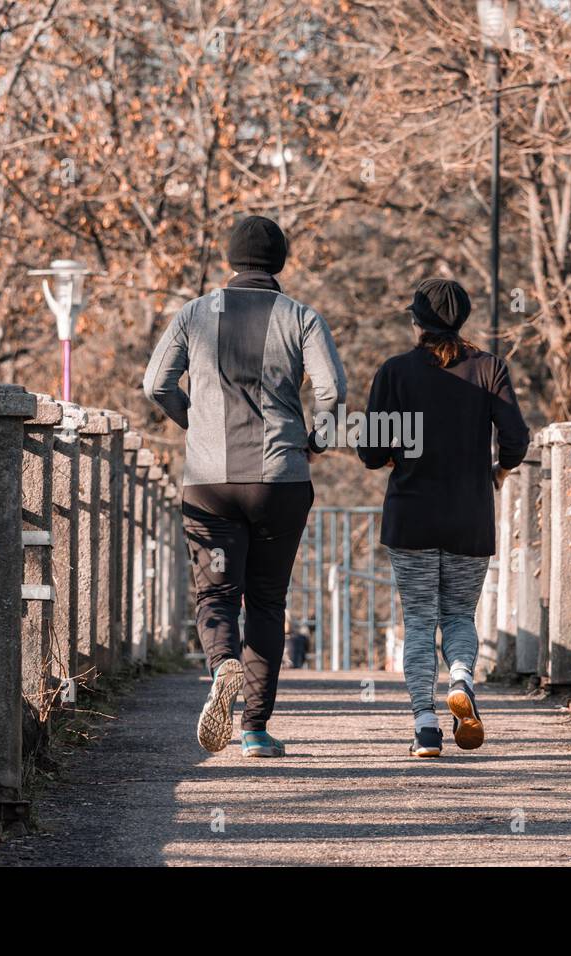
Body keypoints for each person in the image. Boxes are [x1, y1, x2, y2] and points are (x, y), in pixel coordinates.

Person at [144, 215, 346, 758]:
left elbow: (156, 383)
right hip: (279, 481)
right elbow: (332, 390)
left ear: (230, 259)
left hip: (210, 484)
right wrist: (316, 442)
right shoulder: (301, 317)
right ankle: (255, 729)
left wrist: (195, 424)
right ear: (280, 262)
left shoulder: (195, 313)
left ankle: (221, 663)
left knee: (216, 591)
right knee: (265, 601)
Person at [357, 278, 529, 757]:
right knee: (458, 614)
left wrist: (396, 456)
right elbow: (516, 440)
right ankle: (460, 679)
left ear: (416, 323)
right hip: (469, 517)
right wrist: (497, 470)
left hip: (411, 516)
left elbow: (370, 452)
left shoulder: (394, 372)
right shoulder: (489, 368)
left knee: (419, 619)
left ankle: (425, 726)